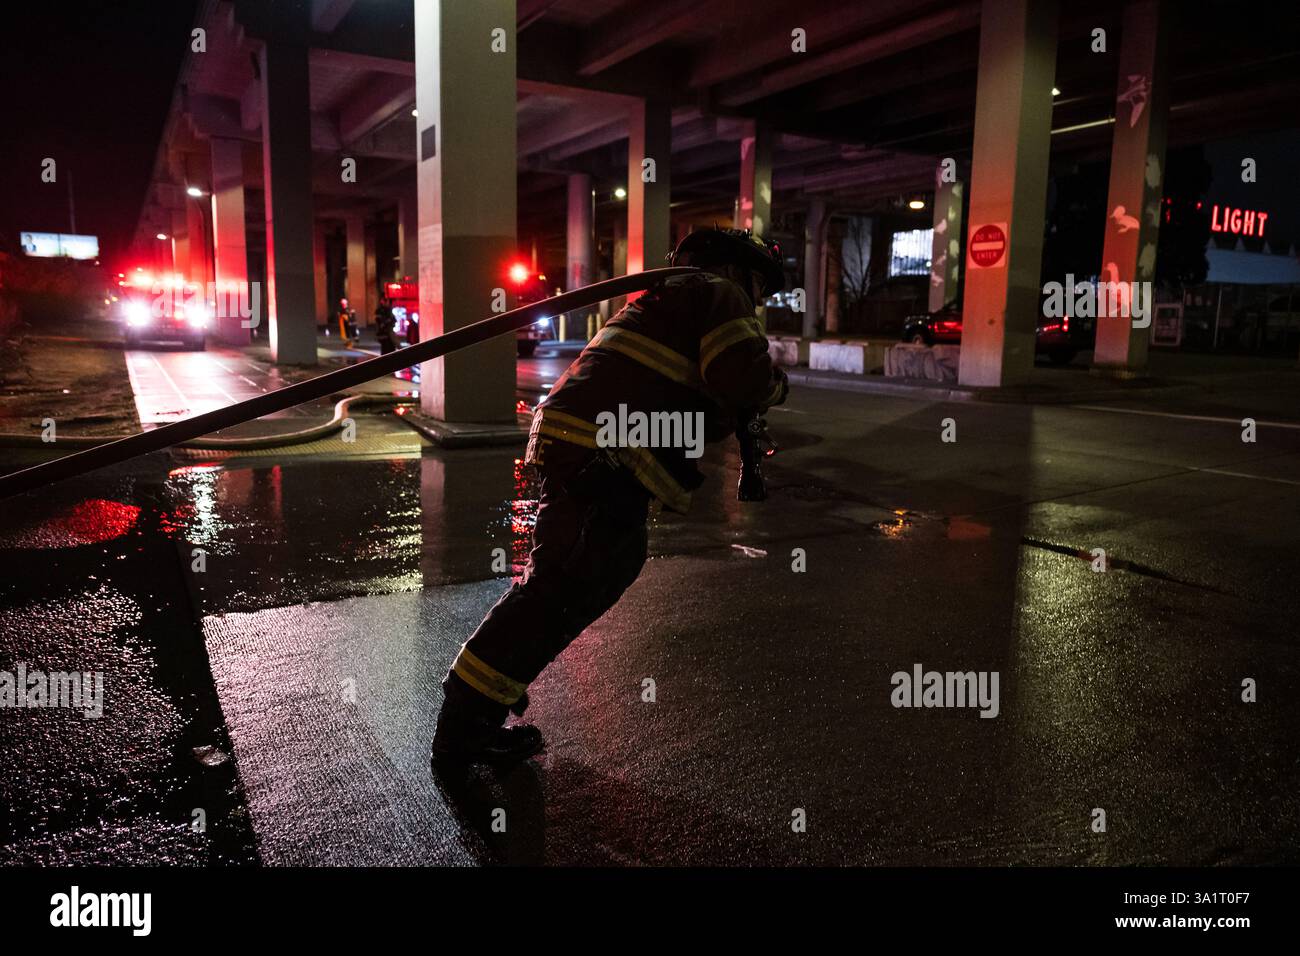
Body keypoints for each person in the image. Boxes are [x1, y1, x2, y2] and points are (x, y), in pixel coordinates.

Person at [432, 227, 789, 763]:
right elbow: (740, 373)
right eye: (757, 284)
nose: (756, 301)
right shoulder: (718, 292)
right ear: (734, 269)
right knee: (566, 584)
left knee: (588, 575)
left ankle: (489, 691)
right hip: (603, 450)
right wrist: (777, 386)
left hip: (598, 446)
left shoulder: (671, 298)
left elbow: (698, 401)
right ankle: (465, 722)